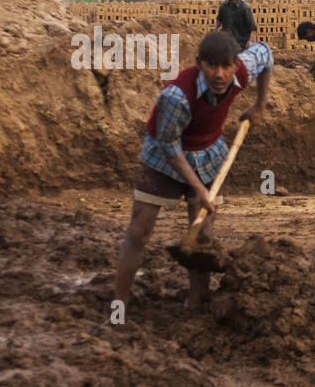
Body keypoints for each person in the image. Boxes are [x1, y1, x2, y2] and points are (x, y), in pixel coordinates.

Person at [114, 31, 273, 311]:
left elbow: (266, 53)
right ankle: (119, 306)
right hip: (164, 156)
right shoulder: (175, 97)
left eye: (226, 66)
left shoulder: (243, 71)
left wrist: (259, 105)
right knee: (139, 230)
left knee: (202, 237)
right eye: (212, 65)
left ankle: (196, 305)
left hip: (208, 153)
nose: (220, 74)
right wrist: (199, 189)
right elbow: (169, 147)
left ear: (236, 64)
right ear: (199, 63)